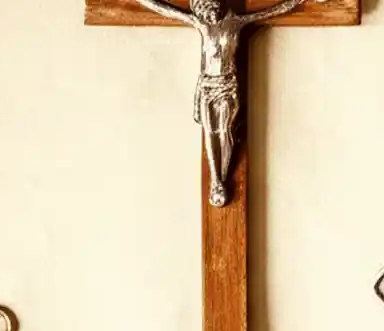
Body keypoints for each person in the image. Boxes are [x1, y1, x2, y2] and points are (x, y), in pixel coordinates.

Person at [133, 0, 312, 206]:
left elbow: (270, 11)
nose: (210, 15)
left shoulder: (234, 23)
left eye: (213, 9)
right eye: (206, 11)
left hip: (227, 85)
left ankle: (222, 175)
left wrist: (298, 1)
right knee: (209, 132)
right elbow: (167, 10)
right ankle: (216, 180)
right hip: (207, 85)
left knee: (225, 130)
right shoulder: (201, 24)